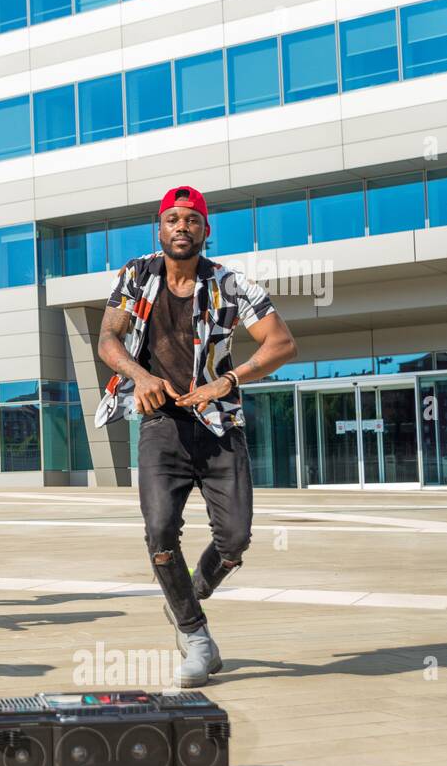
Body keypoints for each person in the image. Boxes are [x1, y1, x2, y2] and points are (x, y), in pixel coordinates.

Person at [96, 185, 297, 686]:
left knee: (235, 541)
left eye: (191, 220)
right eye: (172, 219)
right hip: (161, 422)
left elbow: (282, 342)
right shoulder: (136, 275)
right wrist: (140, 378)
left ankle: (187, 592)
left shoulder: (231, 285)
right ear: (159, 229)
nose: (181, 227)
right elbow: (107, 338)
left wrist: (227, 380)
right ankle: (196, 635)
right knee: (161, 529)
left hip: (219, 423)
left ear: (206, 231)